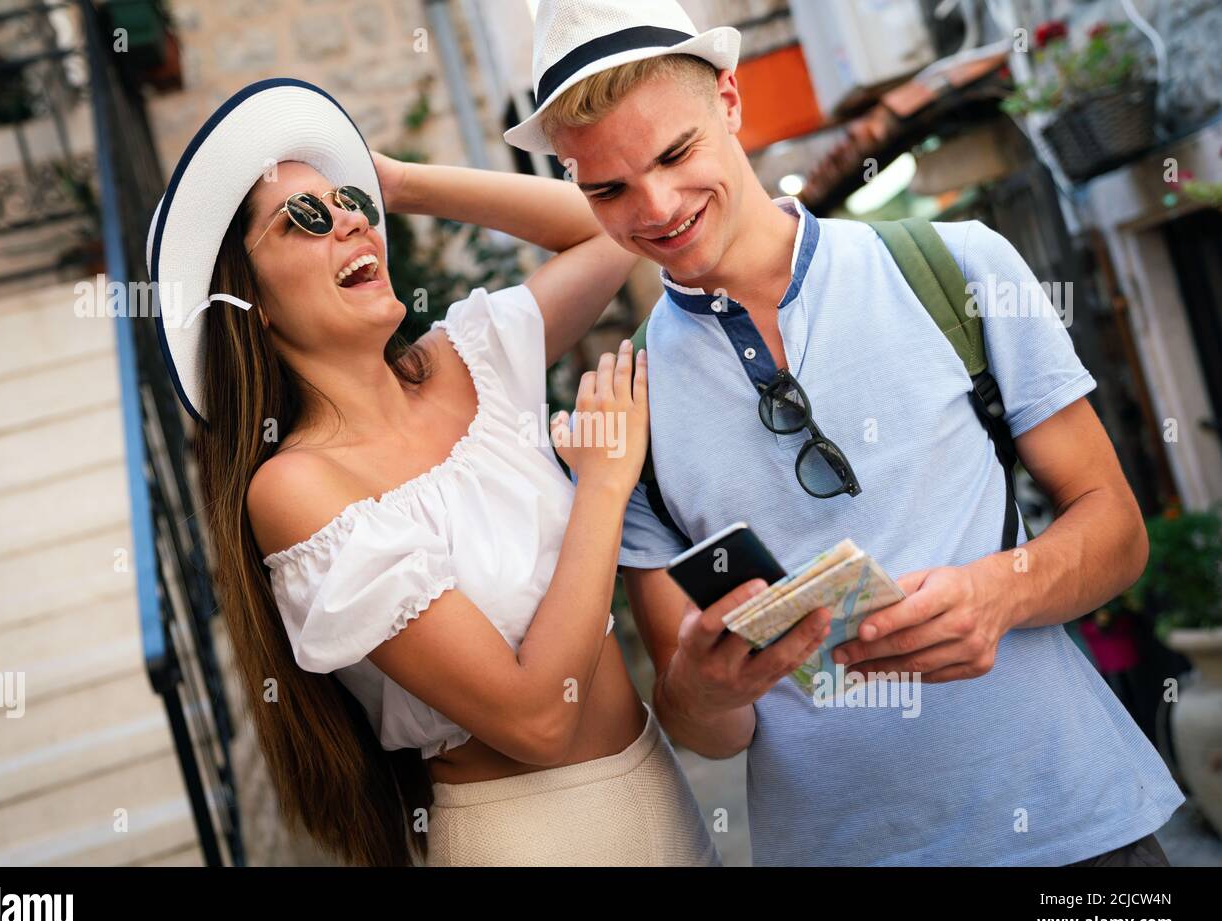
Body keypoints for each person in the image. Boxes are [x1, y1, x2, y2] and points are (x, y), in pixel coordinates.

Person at [504, 0, 1185, 866]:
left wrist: (1001, 591)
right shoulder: (626, 404)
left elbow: (1118, 534)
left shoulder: (957, 265)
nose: (658, 207)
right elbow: (705, 731)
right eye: (607, 188)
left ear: (731, 98)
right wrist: (706, 686)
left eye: (676, 154)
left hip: (1080, 837)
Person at [145, 77, 721, 866]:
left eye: (347, 200)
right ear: (253, 302)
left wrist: (404, 183)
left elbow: (613, 234)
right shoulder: (295, 488)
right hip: (530, 840)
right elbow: (537, 719)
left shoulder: (470, 359)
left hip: (659, 788)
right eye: (303, 220)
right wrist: (603, 485)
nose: (348, 219)